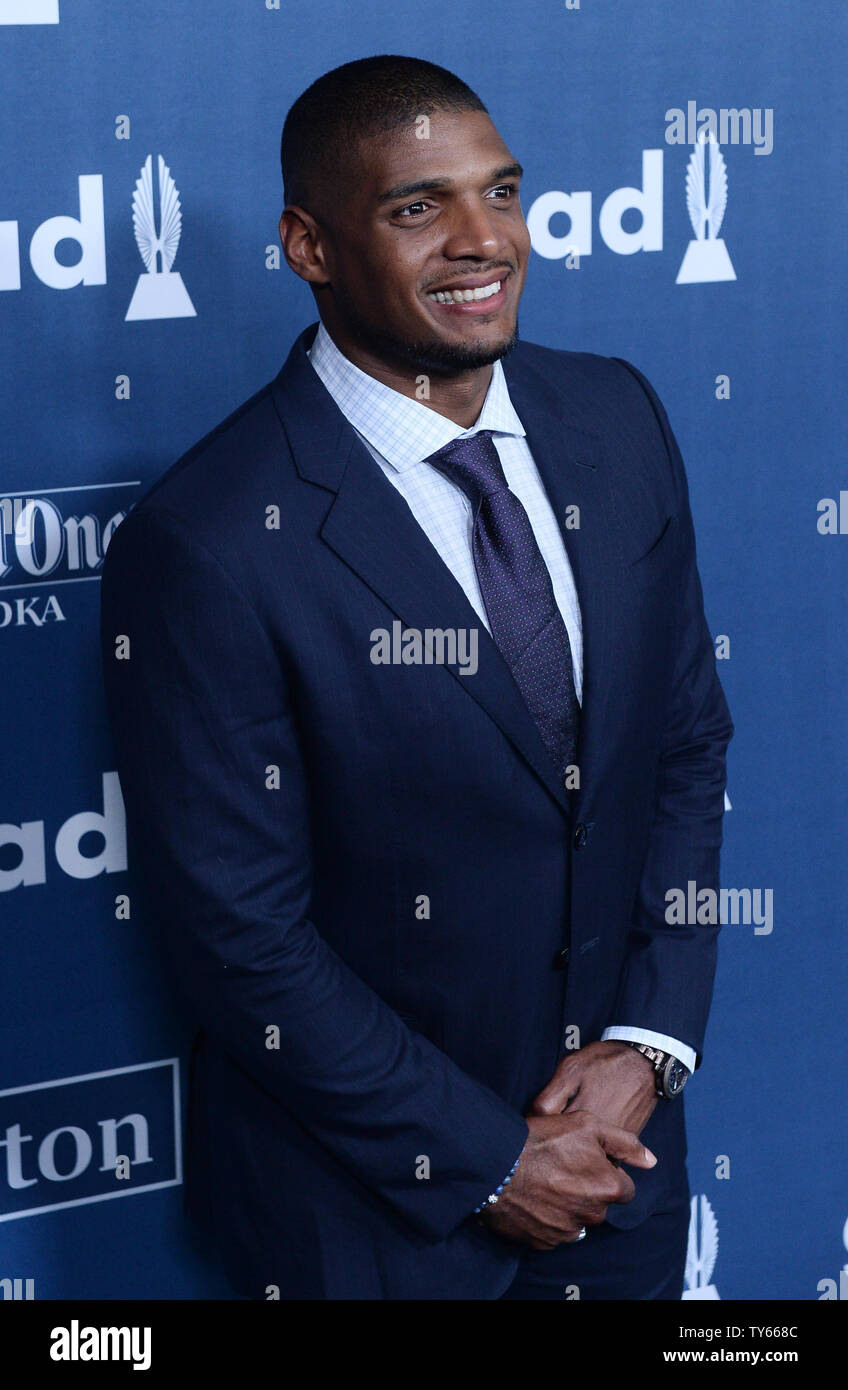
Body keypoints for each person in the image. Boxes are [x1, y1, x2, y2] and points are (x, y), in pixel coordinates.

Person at [100, 54, 733, 1300]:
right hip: (375, 1226)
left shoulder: (615, 416)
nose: (480, 240)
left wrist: (646, 1045)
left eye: (500, 193)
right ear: (308, 244)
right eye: (415, 207)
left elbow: (681, 747)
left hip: (622, 1168)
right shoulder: (213, 538)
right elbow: (240, 937)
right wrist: (491, 1157)